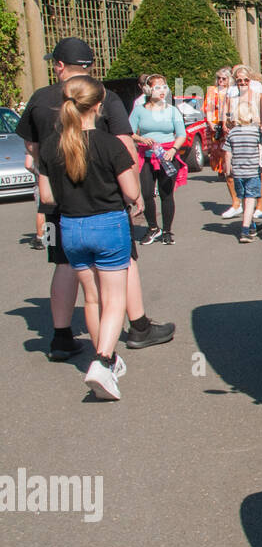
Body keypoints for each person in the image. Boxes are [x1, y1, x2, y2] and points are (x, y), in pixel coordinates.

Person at [16, 38, 174, 360]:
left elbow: (32, 155)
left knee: (62, 262)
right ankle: (138, 327)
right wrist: (133, 194)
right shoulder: (106, 96)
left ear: (59, 66)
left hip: (59, 203)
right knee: (121, 263)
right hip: (105, 202)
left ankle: (61, 337)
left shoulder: (38, 99)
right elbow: (125, 143)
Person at [37, 77, 141, 399]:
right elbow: (132, 191)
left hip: (71, 227)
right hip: (108, 223)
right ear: (98, 105)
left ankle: (105, 362)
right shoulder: (110, 144)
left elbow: (47, 195)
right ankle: (103, 360)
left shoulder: (52, 146)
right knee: (115, 301)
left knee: (92, 299)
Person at [128, 74, 188, 245]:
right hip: (147, 156)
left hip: (167, 156)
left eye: (164, 87)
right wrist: (141, 139)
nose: (162, 91)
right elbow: (129, 131)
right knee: (147, 193)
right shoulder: (139, 110)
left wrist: (174, 150)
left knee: (166, 194)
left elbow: (181, 134)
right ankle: (153, 228)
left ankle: (167, 231)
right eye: (157, 87)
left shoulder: (172, 110)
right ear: (148, 90)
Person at [223, 101, 262, 243]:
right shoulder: (256, 132)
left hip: (238, 172)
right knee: (250, 199)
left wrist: (228, 170)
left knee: (246, 199)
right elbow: (261, 147)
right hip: (252, 171)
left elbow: (227, 153)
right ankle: (245, 230)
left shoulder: (232, 132)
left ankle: (252, 226)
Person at [206, 68, 240, 216]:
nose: (220, 81)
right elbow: (207, 109)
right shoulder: (212, 91)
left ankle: (249, 202)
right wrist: (210, 122)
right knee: (227, 168)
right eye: (218, 78)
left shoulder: (234, 92)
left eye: (224, 79)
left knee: (241, 168)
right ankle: (235, 202)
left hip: (234, 131)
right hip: (218, 132)